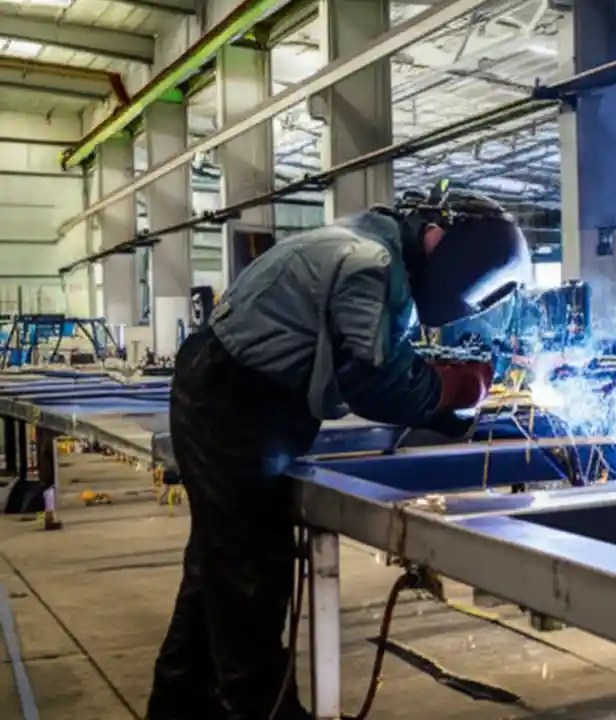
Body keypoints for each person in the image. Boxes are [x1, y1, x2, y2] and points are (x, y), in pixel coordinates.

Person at [145, 183, 532, 720]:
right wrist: (456, 391)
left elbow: (373, 354)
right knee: (249, 577)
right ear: (448, 251)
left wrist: (437, 383)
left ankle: (179, 707)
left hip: (233, 393)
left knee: (218, 568)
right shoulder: (370, 263)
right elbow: (377, 383)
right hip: (234, 402)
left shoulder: (368, 246)